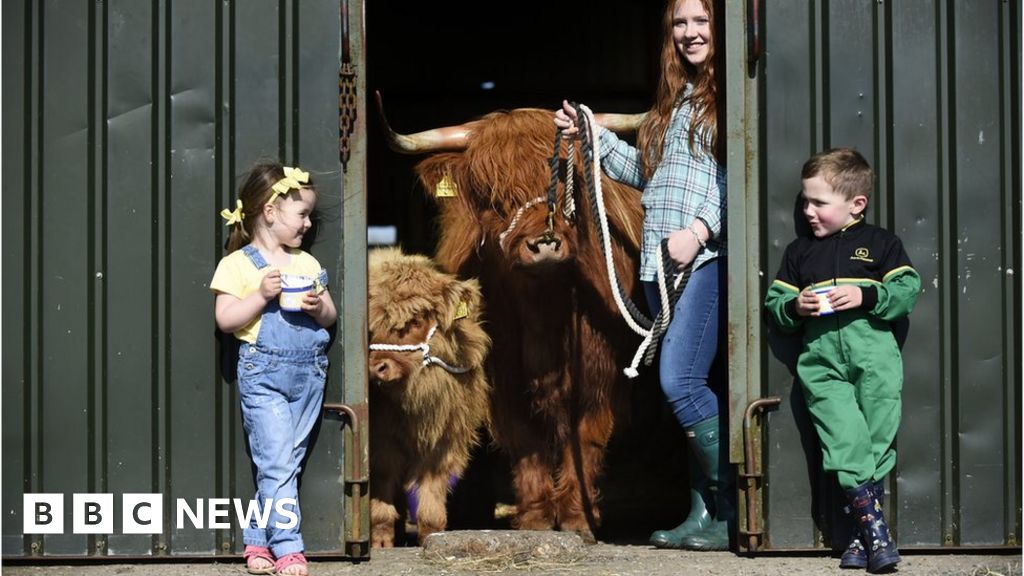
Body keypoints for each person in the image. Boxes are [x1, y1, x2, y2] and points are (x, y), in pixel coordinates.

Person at [555, 0, 729, 551]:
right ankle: (702, 513)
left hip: (702, 260)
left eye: (701, 21)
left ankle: (731, 507)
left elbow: (744, 173)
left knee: (679, 381)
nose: (690, 33)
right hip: (660, 267)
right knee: (692, 387)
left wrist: (701, 230)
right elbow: (643, 178)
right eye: (680, 24)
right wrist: (592, 134)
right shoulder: (672, 104)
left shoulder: (729, 102)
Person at [764, 148, 919, 573]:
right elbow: (774, 303)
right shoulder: (799, 254)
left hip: (875, 360)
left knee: (876, 439)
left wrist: (866, 294)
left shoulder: (881, 245)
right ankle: (876, 532)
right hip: (822, 365)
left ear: (856, 205)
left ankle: (858, 538)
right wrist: (796, 306)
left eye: (819, 203)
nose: (808, 211)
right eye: (805, 202)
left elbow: (906, 291)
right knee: (843, 438)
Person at [210, 161, 337, 576]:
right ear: (270, 212)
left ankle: (257, 541)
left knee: (283, 462)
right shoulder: (238, 263)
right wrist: (261, 295)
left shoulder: (305, 262)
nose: (307, 224)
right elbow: (227, 320)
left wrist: (320, 307)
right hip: (263, 374)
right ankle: (289, 548)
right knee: (279, 464)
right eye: (302, 215)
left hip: (309, 375)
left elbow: (331, 317)